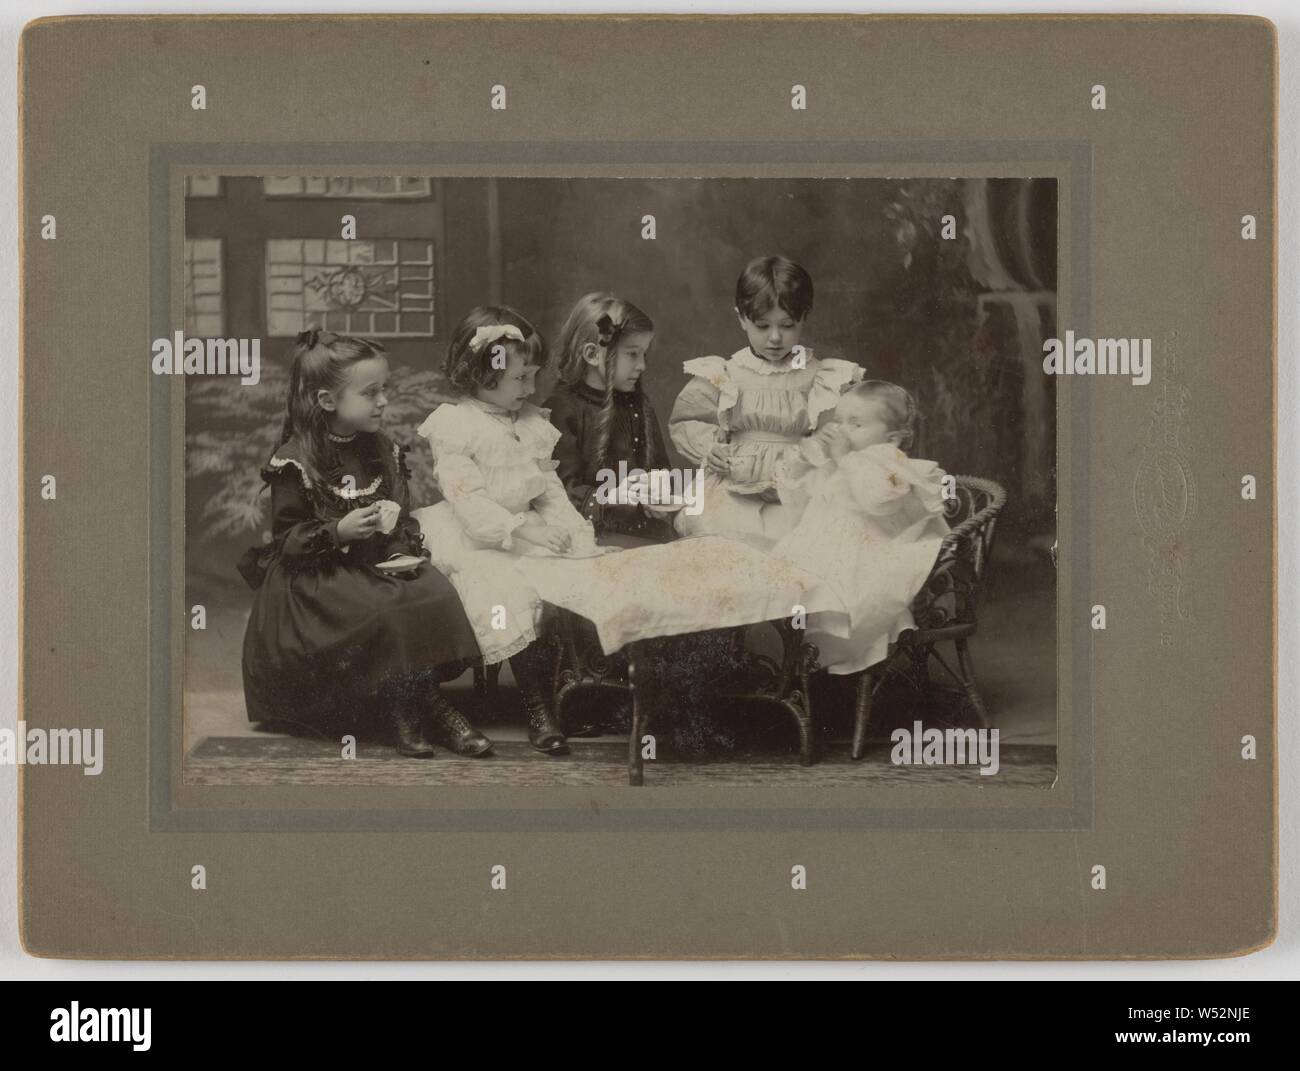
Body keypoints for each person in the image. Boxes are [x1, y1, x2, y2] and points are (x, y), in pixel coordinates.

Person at [238, 329, 492, 759]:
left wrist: (397, 549)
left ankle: (418, 699)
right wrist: (338, 532)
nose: (383, 401)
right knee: (382, 609)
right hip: (313, 577)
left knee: (434, 590)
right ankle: (414, 710)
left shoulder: (383, 449)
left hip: (374, 563)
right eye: (370, 393)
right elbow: (288, 541)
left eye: (384, 390)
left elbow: (400, 517)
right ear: (327, 401)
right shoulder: (296, 459)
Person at [411, 306, 600, 755]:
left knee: (570, 575)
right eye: (521, 379)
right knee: (503, 586)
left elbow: (550, 491)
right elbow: (470, 505)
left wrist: (576, 535)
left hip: (523, 529)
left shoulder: (531, 425)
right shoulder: (456, 426)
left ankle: (565, 692)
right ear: (482, 373)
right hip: (474, 533)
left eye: (533, 376)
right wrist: (526, 532)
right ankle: (535, 704)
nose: (532, 389)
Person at [668, 255, 864, 549]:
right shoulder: (725, 373)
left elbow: (836, 431)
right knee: (719, 530)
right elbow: (686, 420)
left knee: (809, 539)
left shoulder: (820, 376)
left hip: (797, 483)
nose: (775, 338)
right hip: (735, 482)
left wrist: (821, 451)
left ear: (804, 318)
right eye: (762, 326)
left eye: (787, 325)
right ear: (741, 318)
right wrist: (710, 448)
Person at [772, 380, 951, 675]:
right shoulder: (843, 459)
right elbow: (801, 497)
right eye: (839, 421)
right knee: (789, 586)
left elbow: (879, 500)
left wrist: (844, 458)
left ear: (891, 438)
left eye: (855, 424)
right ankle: (797, 657)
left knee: (843, 596)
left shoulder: (888, 462)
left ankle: (831, 653)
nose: (841, 430)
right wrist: (806, 461)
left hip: (869, 549)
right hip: (822, 544)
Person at [544, 292, 677, 544]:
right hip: (588, 534)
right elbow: (559, 492)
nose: (642, 366)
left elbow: (661, 469)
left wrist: (658, 494)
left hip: (640, 529)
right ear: (593, 354)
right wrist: (614, 497)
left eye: (644, 355)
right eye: (632, 354)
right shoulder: (561, 409)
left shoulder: (639, 405)